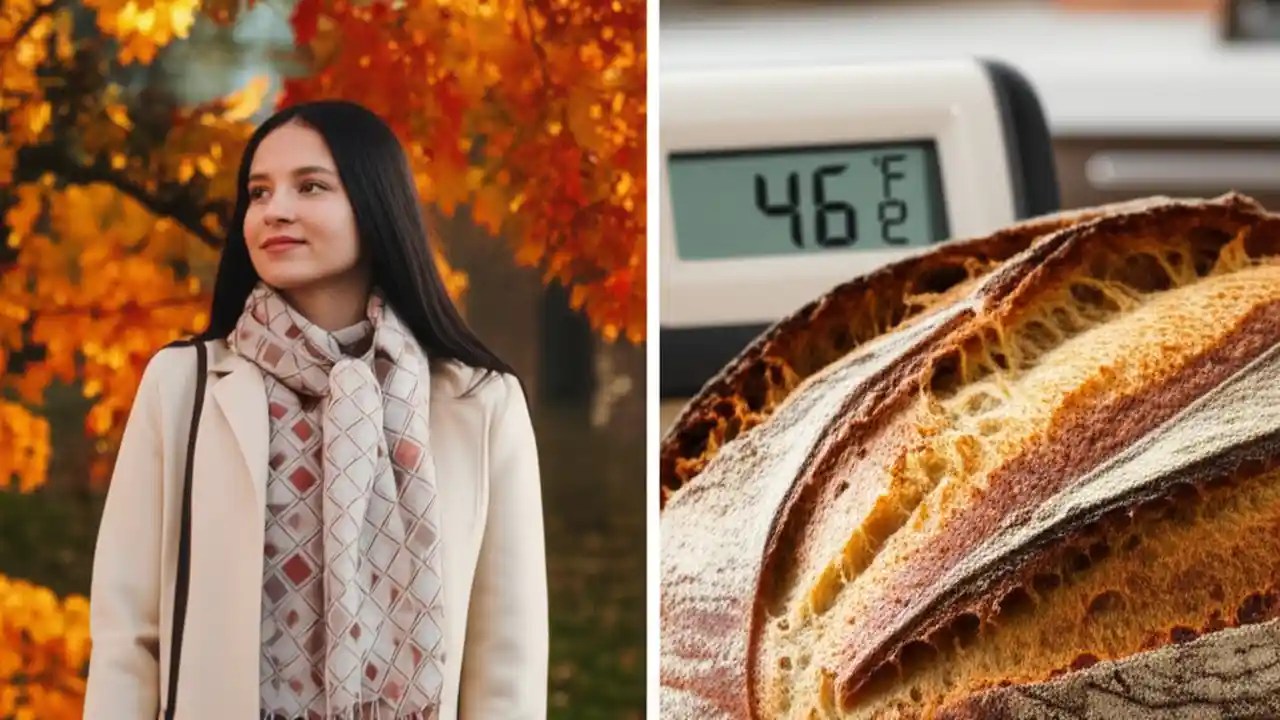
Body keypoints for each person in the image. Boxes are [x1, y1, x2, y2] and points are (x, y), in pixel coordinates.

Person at [83, 100, 548, 719]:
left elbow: (508, 658)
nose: (275, 210)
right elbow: (127, 634)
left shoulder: (479, 402)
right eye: (258, 192)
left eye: (310, 186)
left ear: (375, 204)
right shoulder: (185, 385)